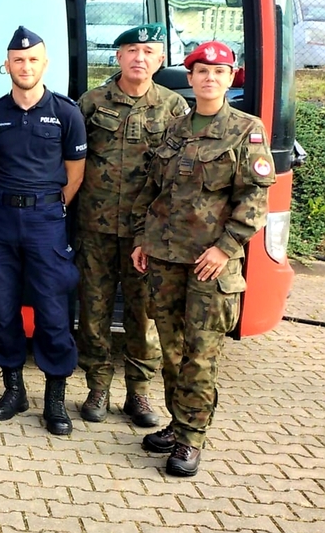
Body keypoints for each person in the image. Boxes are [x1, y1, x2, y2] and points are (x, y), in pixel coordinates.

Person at [131, 41, 273, 477]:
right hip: (166, 258)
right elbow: (154, 191)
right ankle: (178, 424)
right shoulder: (176, 129)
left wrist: (225, 248)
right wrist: (142, 239)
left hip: (211, 264)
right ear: (189, 79)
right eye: (201, 72)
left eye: (219, 72)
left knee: (202, 352)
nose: (209, 78)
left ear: (231, 79)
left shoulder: (246, 130)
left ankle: (191, 440)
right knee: (172, 348)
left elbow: (254, 200)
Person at [75, 23, 187, 427]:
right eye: (132, 50)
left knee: (144, 314)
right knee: (94, 310)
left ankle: (138, 393)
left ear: (160, 60)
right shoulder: (91, 102)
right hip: (95, 227)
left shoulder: (175, 108)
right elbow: (71, 162)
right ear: (118, 56)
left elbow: (180, 174)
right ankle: (97, 388)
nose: (140, 57)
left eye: (149, 51)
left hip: (147, 234)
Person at [0, 26, 86, 436]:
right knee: (3, 310)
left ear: (45, 63)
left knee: (53, 313)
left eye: (33, 59)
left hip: (46, 223)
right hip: (2, 220)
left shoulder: (66, 112)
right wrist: (9, 200)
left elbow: (75, 174)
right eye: (18, 60)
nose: (25, 66)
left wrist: (47, 207)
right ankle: (13, 391)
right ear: (7, 65)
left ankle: (55, 400)